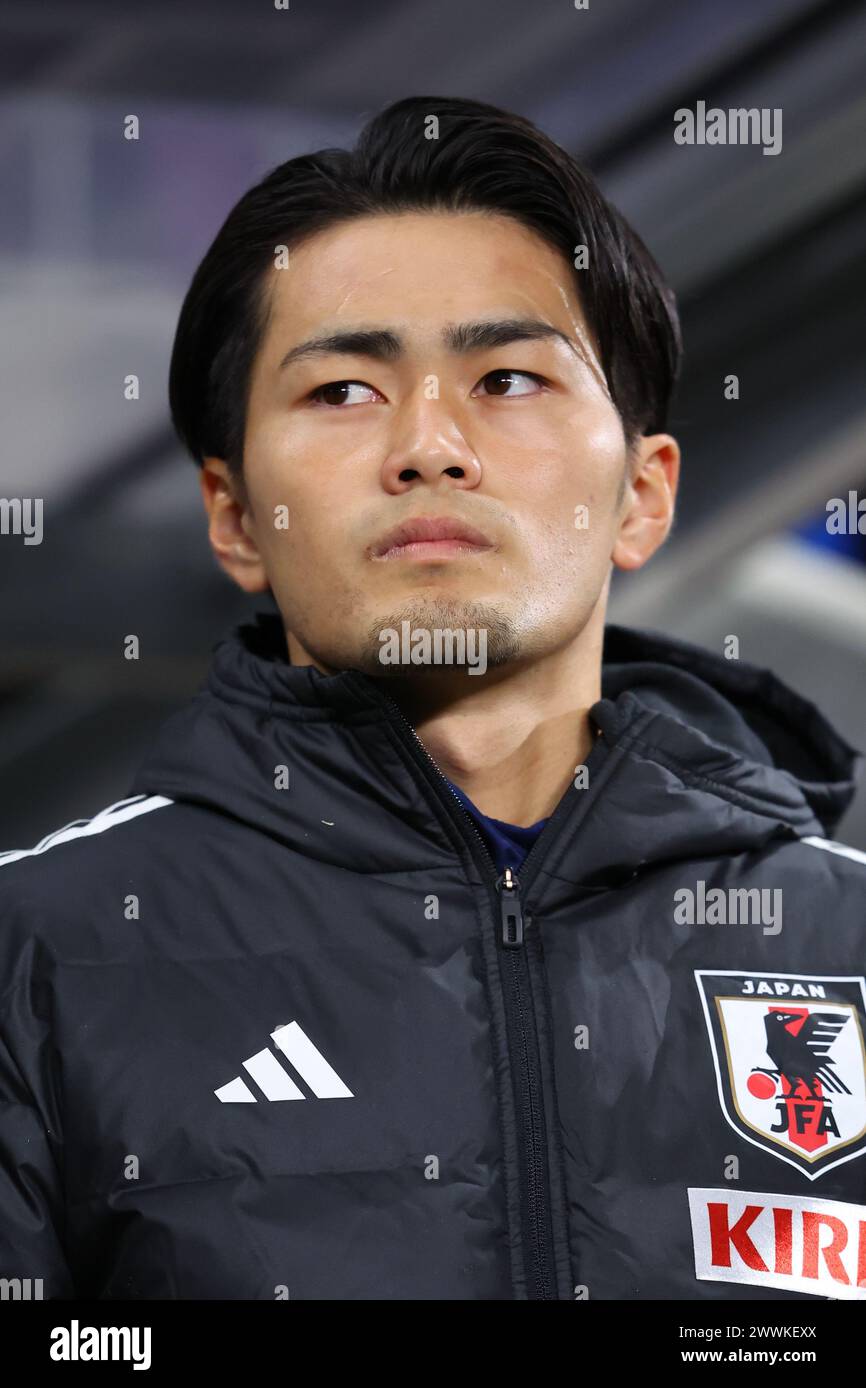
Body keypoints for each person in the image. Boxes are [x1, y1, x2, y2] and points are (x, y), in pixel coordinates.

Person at [1, 95, 864, 1303]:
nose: (428, 446)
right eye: (344, 391)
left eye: (506, 377)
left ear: (642, 496)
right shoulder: (38, 956)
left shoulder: (845, 944)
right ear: (234, 515)